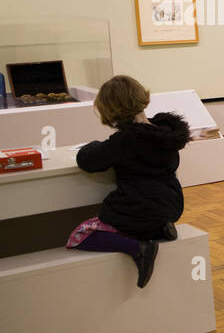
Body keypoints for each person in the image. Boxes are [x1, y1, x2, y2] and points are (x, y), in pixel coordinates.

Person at [66, 75, 189, 288]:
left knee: (79, 235)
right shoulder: (167, 134)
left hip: (138, 208)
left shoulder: (124, 141)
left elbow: (87, 160)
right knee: (148, 218)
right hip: (172, 204)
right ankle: (158, 229)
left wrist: (93, 145)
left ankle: (138, 248)